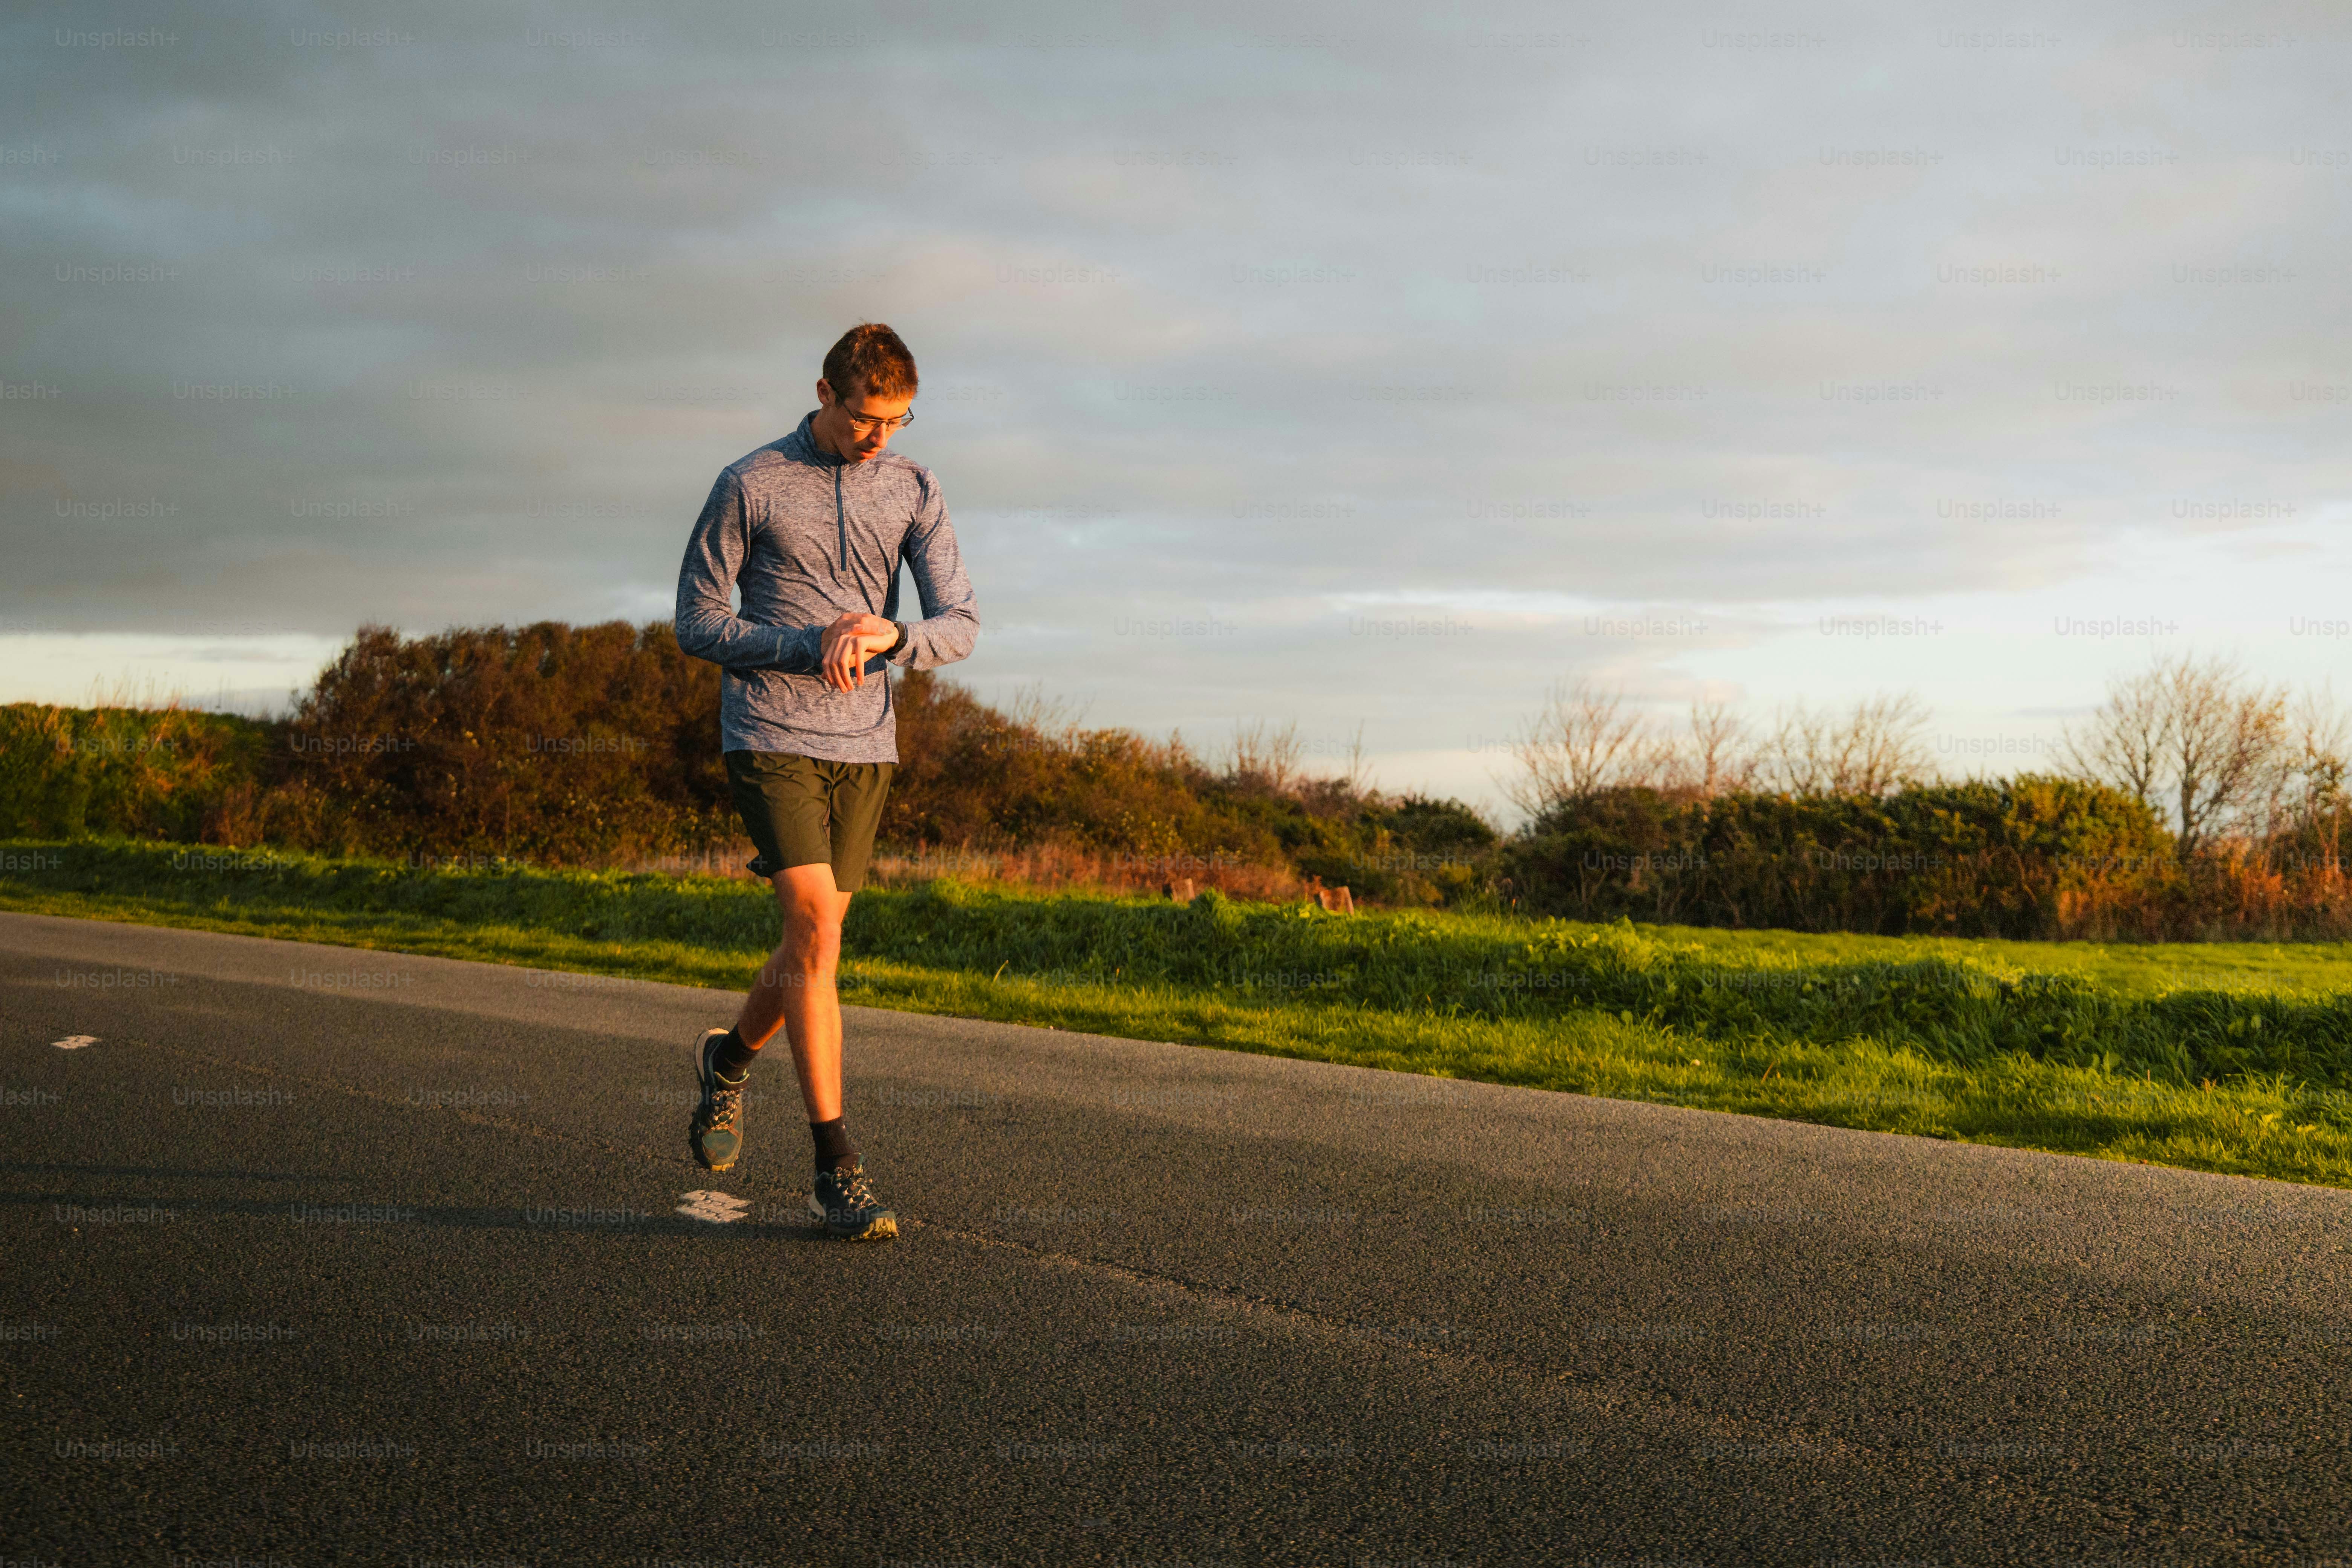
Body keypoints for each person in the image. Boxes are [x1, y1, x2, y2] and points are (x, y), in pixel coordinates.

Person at [672, 322, 979, 1240]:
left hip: (865, 745)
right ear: (824, 393)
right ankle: (835, 1166)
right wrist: (805, 644)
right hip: (768, 729)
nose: (881, 436)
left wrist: (895, 636)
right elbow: (696, 620)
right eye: (864, 417)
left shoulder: (916, 487)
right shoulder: (751, 483)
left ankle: (729, 1061)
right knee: (811, 929)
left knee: (818, 947)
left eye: (899, 418)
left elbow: (960, 620)